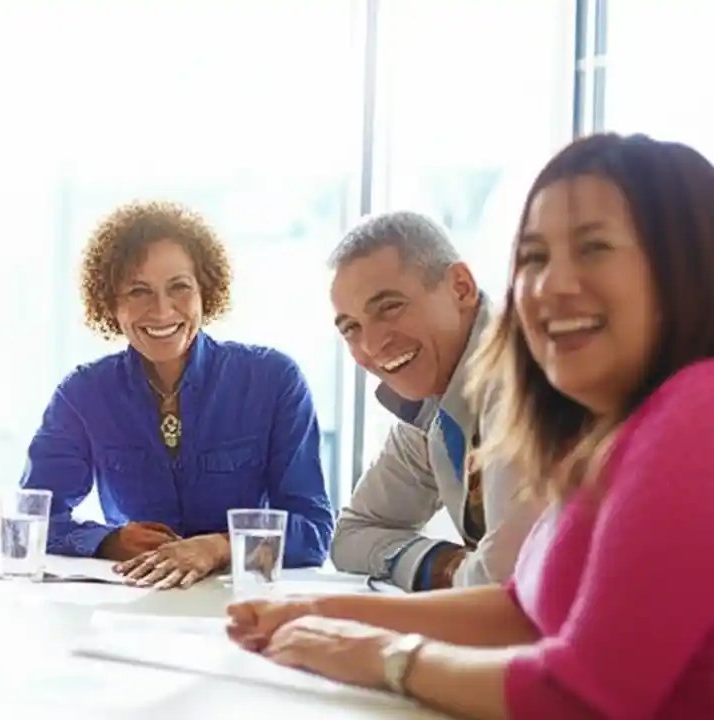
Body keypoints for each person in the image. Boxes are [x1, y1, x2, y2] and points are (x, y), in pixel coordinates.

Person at [227, 133, 714, 717]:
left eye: (593, 248)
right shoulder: (616, 430)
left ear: (684, 262)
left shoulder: (696, 411)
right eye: (533, 258)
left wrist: (385, 656)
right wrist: (324, 613)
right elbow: (521, 610)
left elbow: (580, 696)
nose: (549, 285)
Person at [19, 201, 334, 590]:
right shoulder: (82, 394)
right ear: (110, 303)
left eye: (180, 287)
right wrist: (108, 540)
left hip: (244, 607)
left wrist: (219, 547)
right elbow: (33, 520)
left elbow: (315, 531)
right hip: (133, 605)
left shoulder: (273, 380)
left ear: (206, 291)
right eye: (138, 291)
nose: (162, 310)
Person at [327, 211, 541, 590]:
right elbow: (351, 536)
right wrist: (440, 564)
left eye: (390, 307)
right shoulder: (431, 405)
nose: (372, 346)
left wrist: (459, 573)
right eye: (352, 328)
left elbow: (502, 586)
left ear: (461, 287)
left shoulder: (522, 379)